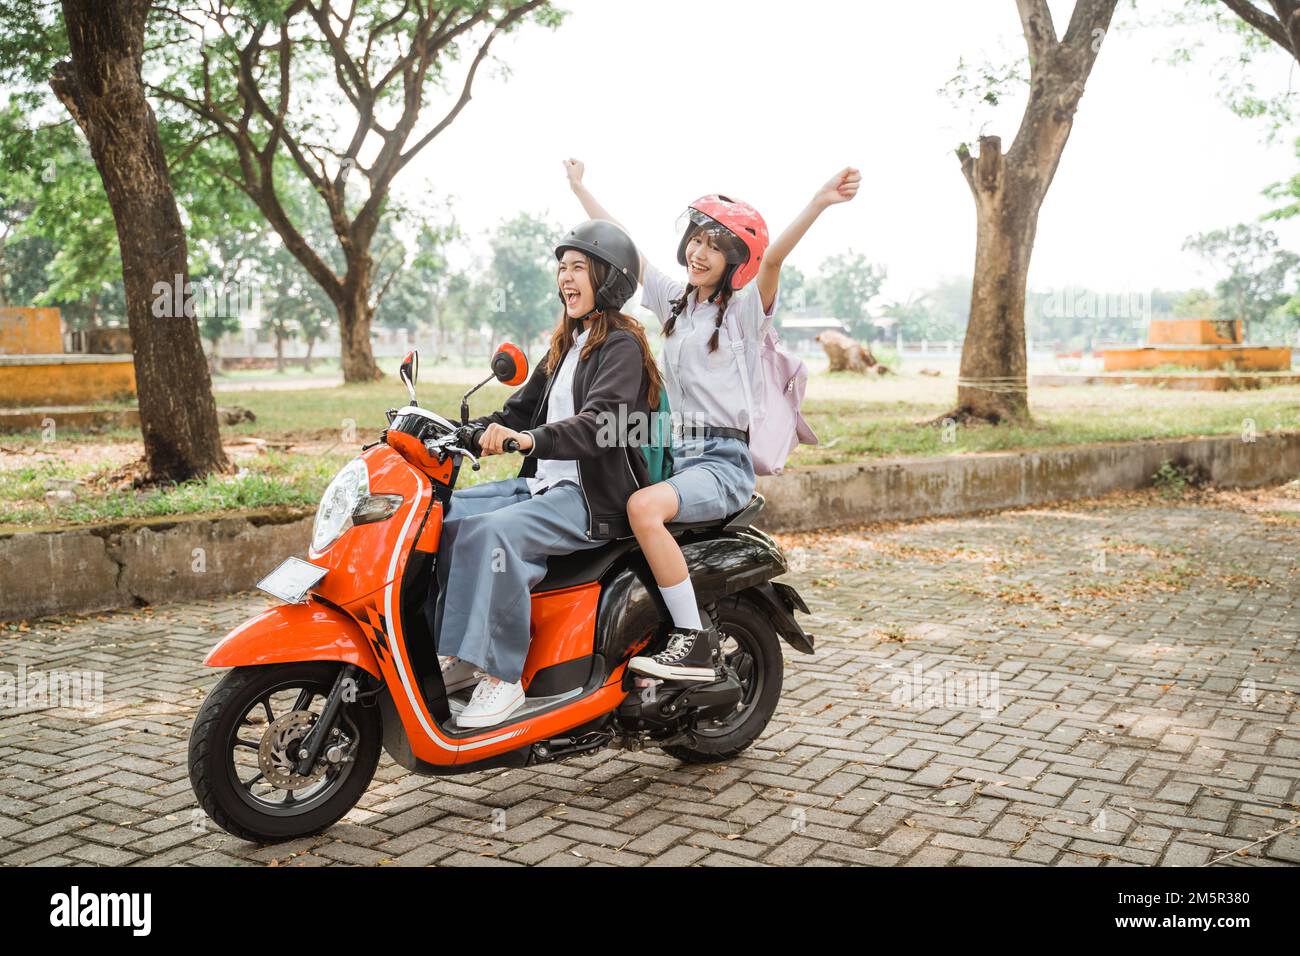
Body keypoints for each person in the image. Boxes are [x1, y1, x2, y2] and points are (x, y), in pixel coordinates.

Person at [565, 158, 860, 682]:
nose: (700, 253)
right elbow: (625, 245)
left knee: (642, 508)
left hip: (721, 460)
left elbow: (773, 261)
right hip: (674, 452)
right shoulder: (675, 304)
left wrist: (818, 201)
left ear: (734, 261)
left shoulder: (744, 314)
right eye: (697, 241)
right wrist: (579, 187)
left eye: (716, 247)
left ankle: (694, 640)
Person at [431, 220, 662, 727]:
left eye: (579, 266)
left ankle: (502, 676)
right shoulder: (565, 346)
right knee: (440, 517)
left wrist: (531, 439)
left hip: (592, 496)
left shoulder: (620, 346)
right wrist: (452, 430)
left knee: (494, 536)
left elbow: (600, 423)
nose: (566, 277)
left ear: (608, 279)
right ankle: (460, 655)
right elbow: (517, 414)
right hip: (542, 484)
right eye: (562, 268)